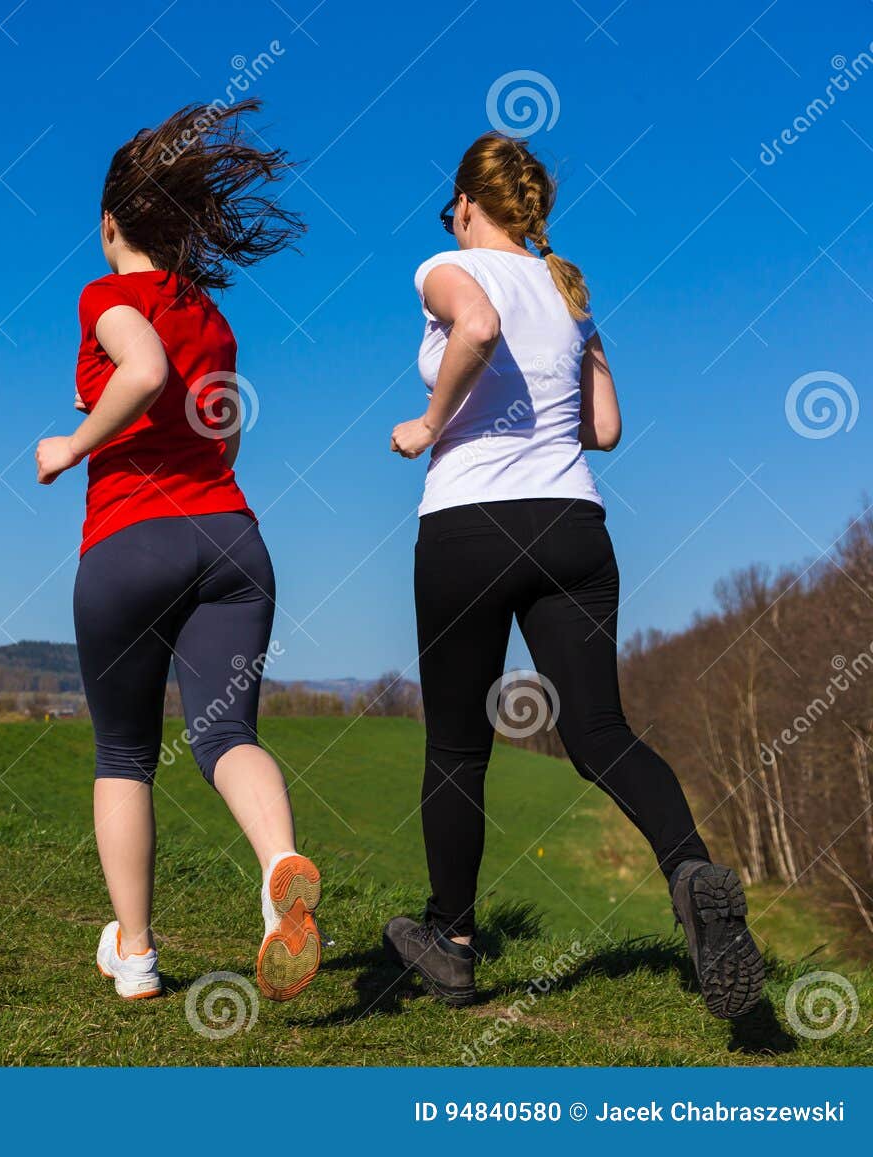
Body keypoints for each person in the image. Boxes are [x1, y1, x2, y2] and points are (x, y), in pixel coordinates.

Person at [381, 131, 765, 1019]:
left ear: (468, 206)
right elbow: (606, 427)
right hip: (572, 526)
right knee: (598, 730)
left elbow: (474, 324)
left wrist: (431, 424)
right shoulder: (566, 290)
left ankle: (453, 940)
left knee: (456, 749)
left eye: (454, 211)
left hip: (469, 527)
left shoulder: (446, 266)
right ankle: (691, 870)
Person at [34, 99, 321, 1002]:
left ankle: (138, 952)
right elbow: (223, 432)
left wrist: (72, 445)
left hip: (129, 540)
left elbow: (145, 369)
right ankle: (280, 872)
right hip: (233, 540)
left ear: (111, 223)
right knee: (225, 730)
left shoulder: (106, 296)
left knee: (124, 752)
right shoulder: (215, 318)